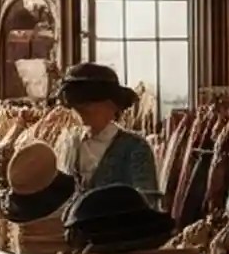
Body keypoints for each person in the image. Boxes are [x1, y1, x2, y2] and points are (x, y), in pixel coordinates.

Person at [54, 62, 158, 202]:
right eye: (78, 106)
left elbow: (147, 201)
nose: (83, 110)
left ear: (113, 105)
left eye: (90, 104)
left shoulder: (135, 148)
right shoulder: (69, 143)